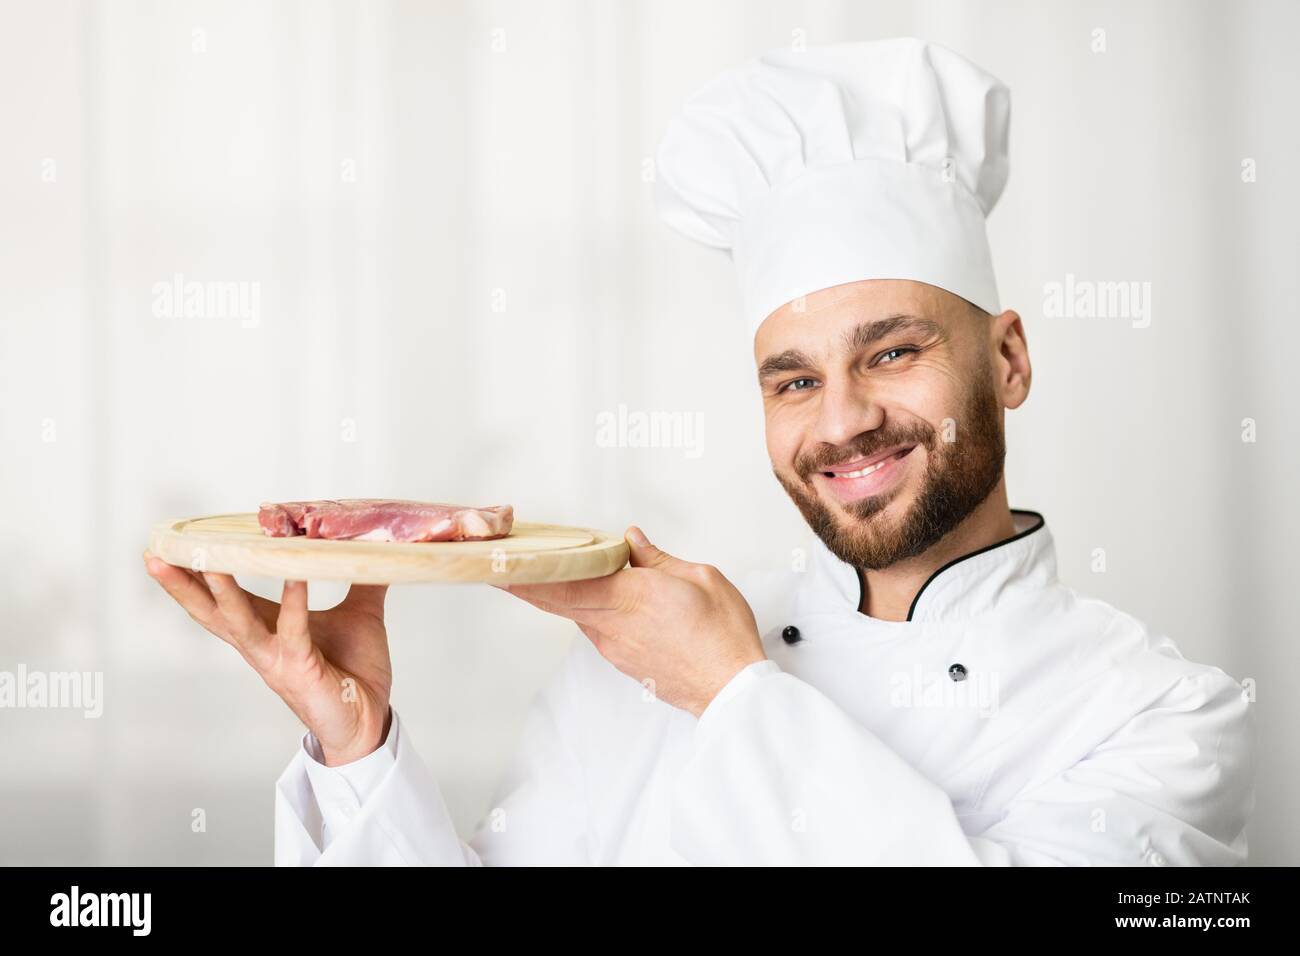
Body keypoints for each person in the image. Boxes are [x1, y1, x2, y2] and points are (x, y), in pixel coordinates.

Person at [143, 38, 1253, 865]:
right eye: (794, 378)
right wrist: (357, 743)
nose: (842, 420)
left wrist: (733, 692)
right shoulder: (634, 656)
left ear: (1006, 359)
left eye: (895, 350)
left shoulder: (1164, 715)